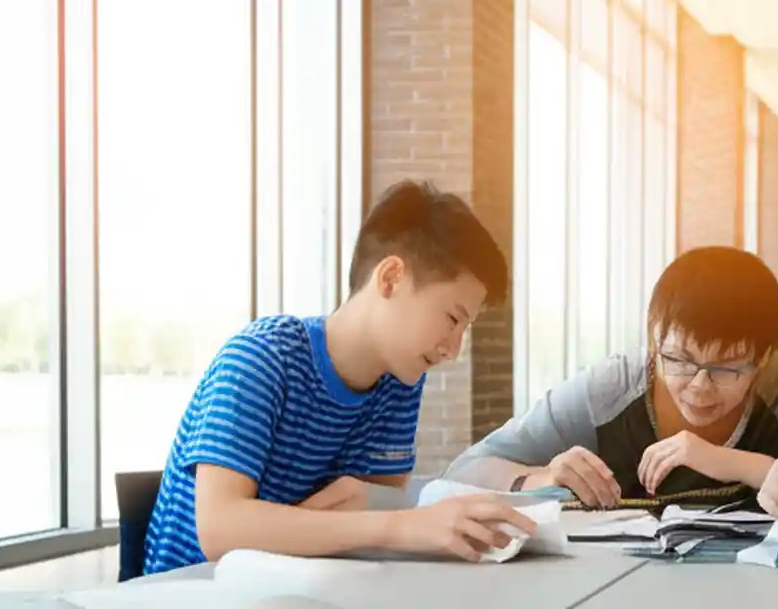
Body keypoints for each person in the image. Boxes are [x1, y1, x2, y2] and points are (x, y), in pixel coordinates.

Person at [143, 181, 537, 574]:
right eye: (452, 319)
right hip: (196, 591)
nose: (453, 349)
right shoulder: (261, 358)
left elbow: (368, 510)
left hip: (299, 588)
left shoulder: (399, 383)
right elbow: (220, 529)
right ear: (390, 278)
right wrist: (401, 525)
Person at [444, 246, 778, 518]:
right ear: (654, 341)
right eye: (679, 360)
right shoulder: (615, 386)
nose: (699, 387)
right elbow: (466, 469)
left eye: (729, 367)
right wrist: (538, 477)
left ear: (765, 356)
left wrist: (736, 464)